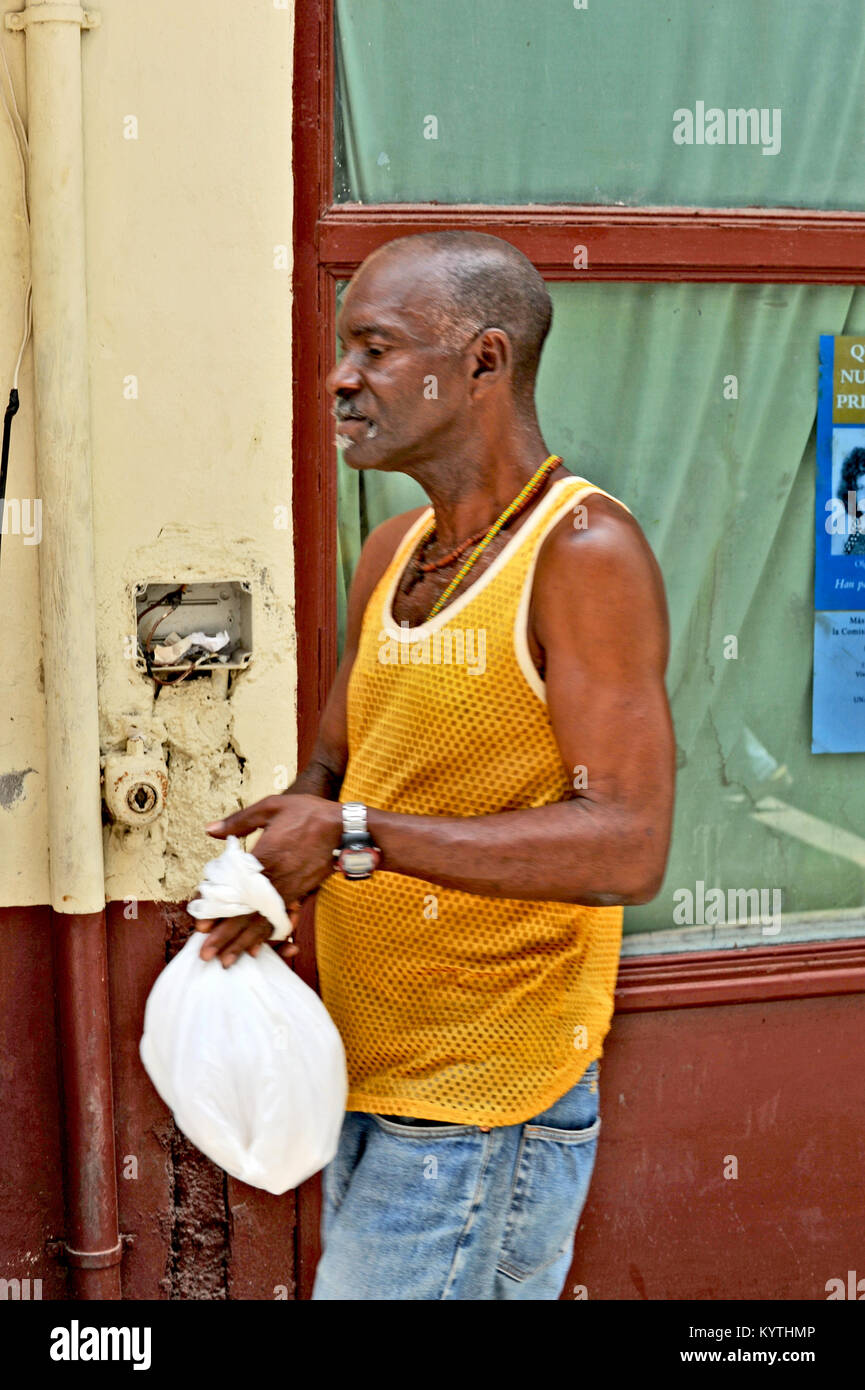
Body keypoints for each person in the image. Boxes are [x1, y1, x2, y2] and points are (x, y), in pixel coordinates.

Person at [194, 231, 675, 1300]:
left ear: (483, 363)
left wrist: (356, 839)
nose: (341, 378)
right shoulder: (393, 550)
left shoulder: (583, 553)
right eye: (343, 348)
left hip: (486, 1103)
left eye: (374, 348)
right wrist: (280, 852)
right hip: (365, 1068)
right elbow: (334, 765)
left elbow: (626, 844)